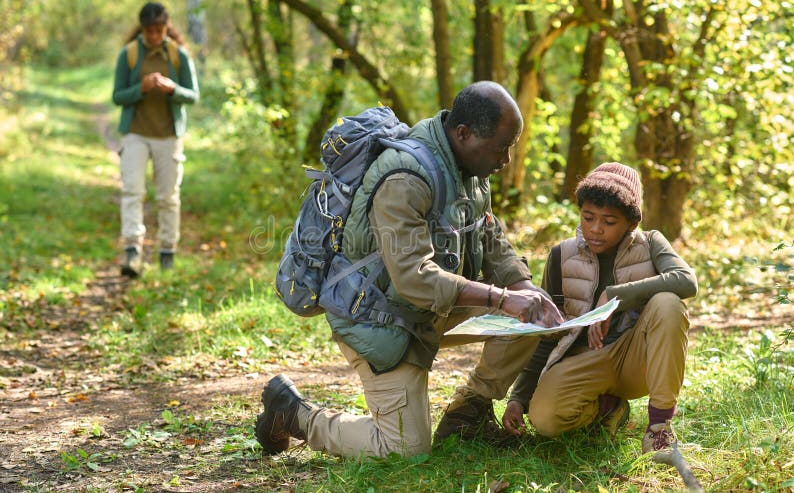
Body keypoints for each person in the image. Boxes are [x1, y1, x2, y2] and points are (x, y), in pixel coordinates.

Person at [255, 81, 563, 458]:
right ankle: (294, 415)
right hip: (379, 317)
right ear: (463, 134)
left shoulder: (469, 167)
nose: (506, 161)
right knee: (406, 449)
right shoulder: (406, 178)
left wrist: (523, 286)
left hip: (427, 309)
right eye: (501, 148)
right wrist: (501, 298)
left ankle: (468, 414)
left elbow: (487, 233)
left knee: (530, 315)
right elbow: (414, 277)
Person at [499, 162, 698, 453]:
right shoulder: (561, 256)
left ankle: (659, 427)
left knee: (668, 302)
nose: (595, 229)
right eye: (588, 217)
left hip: (636, 359)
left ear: (631, 223)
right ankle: (608, 409)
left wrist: (614, 296)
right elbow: (547, 332)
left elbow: (686, 281)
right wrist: (519, 396)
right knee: (544, 421)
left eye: (608, 221)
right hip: (584, 360)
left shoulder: (651, 243)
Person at [112, 2, 199, 277]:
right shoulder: (128, 54)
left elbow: (193, 95)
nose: (154, 36)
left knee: (168, 197)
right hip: (135, 134)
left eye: (159, 31)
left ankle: (167, 253)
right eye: (149, 31)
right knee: (132, 192)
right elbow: (117, 96)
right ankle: (132, 253)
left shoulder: (178, 55)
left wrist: (172, 88)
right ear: (142, 29)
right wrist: (142, 88)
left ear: (166, 28)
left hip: (168, 137)